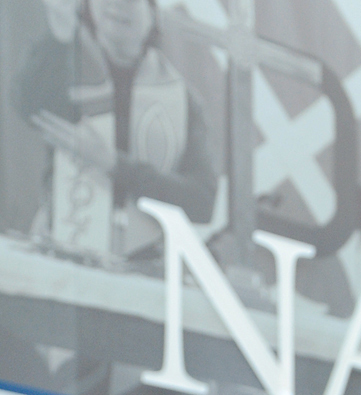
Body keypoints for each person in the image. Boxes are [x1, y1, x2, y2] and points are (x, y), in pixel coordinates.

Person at [17, 0, 217, 261]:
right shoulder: (62, 68)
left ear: (153, 13)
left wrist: (113, 164)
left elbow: (202, 202)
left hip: (147, 267)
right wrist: (60, 35)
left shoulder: (182, 100)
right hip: (64, 252)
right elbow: (29, 104)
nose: (118, 5)